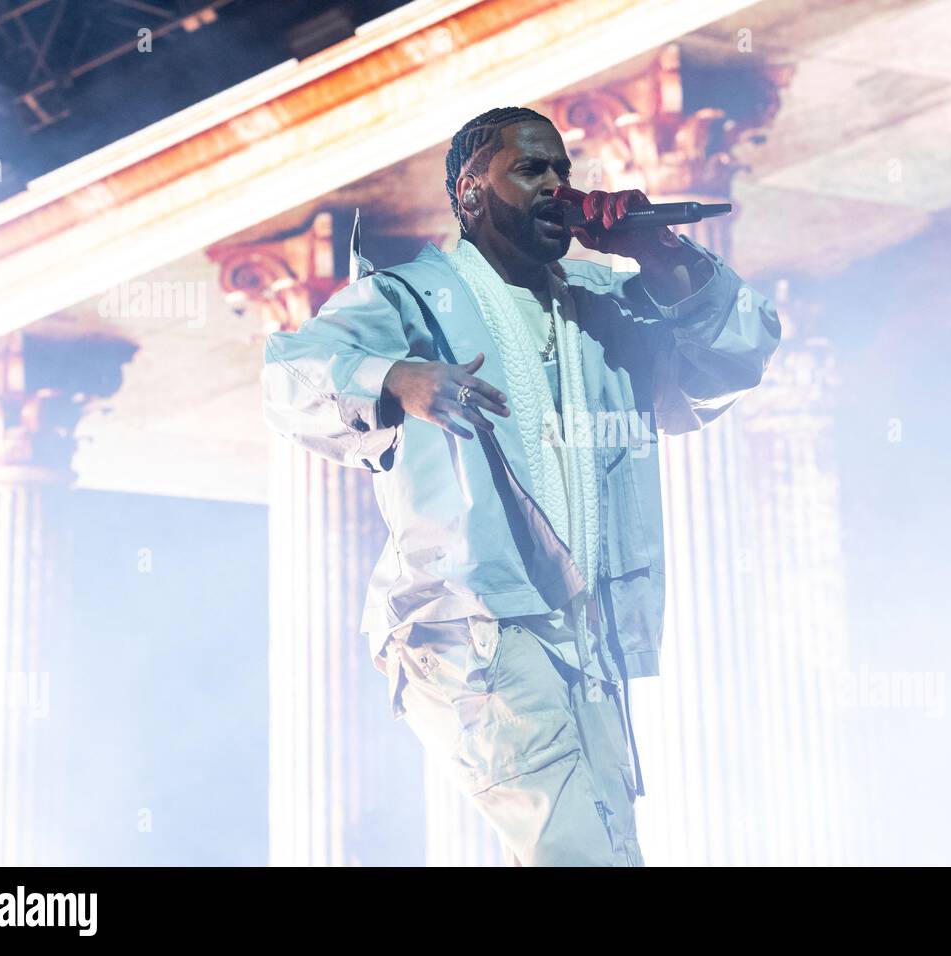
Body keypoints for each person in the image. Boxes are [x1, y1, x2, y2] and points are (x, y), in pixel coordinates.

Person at [261, 106, 781, 866]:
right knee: (578, 852)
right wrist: (396, 377)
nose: (555, 186)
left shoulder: (605, 302)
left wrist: (658, 253)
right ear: (471, 193)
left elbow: (736, 356)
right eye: (530, 170)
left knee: (604, 847)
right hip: (472, 627)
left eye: (563, 171)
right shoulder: (411, 298)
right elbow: (286, 380)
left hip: (583, 635)